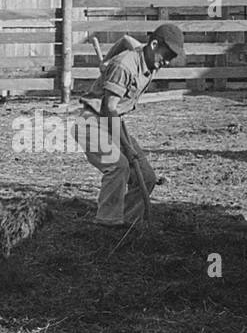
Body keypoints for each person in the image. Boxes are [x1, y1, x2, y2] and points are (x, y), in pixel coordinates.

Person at [76, 23, 183, 228]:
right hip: (92, 122)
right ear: (153, 45)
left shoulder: (147, 57)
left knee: (147, 177)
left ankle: (128, 224)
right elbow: (109, 108)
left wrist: (106, 60)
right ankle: (106, 225)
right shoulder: (125, 66)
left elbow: (125, 39)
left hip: (113, 121)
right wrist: (126, 146)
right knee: (119, 166)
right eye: (166, 56)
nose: (167, 62)